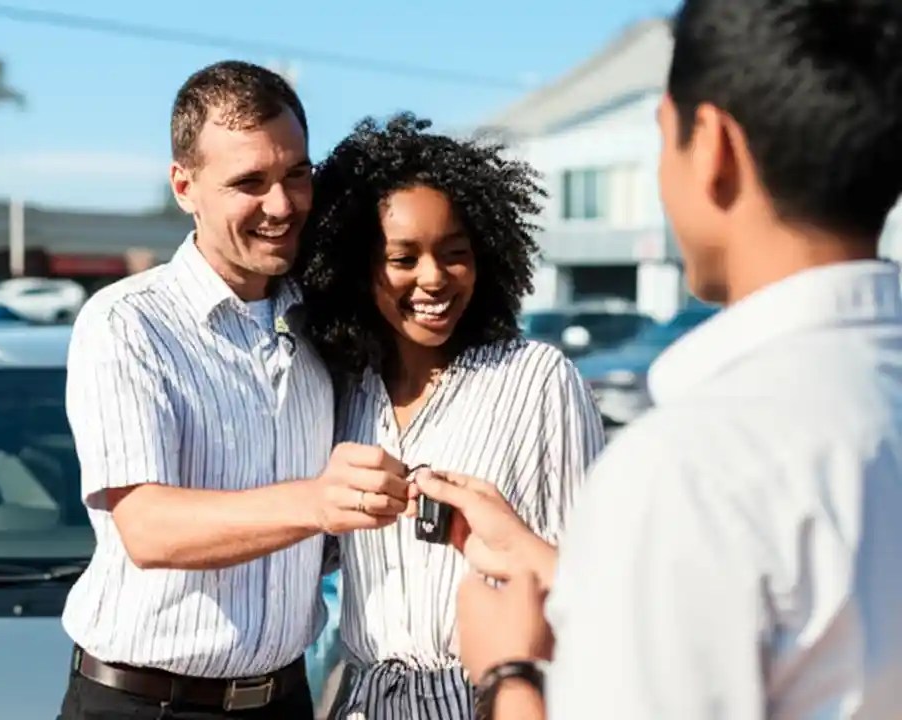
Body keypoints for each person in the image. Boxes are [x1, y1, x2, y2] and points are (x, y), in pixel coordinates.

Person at [415, 0, 902, 717]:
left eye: (662, 136)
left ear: (710, 147)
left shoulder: (688, 468)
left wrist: (505, 671)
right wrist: (564, 570)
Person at [57, 60, 414, 720]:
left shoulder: (325, 324)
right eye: (249, 182)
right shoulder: (126, 323)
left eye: (296, 174)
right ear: (184, 186)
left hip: (286, 699)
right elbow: (149, 529)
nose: (282, 205)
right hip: (145, 706)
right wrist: (318, 502)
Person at [293, 112, 606, 719]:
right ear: (359, 268)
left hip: (492, 695)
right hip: (361, 697)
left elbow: (593, 577)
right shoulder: (345, 390)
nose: (433, 278)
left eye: (455, 254)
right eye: (403, 257)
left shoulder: (538, 379)